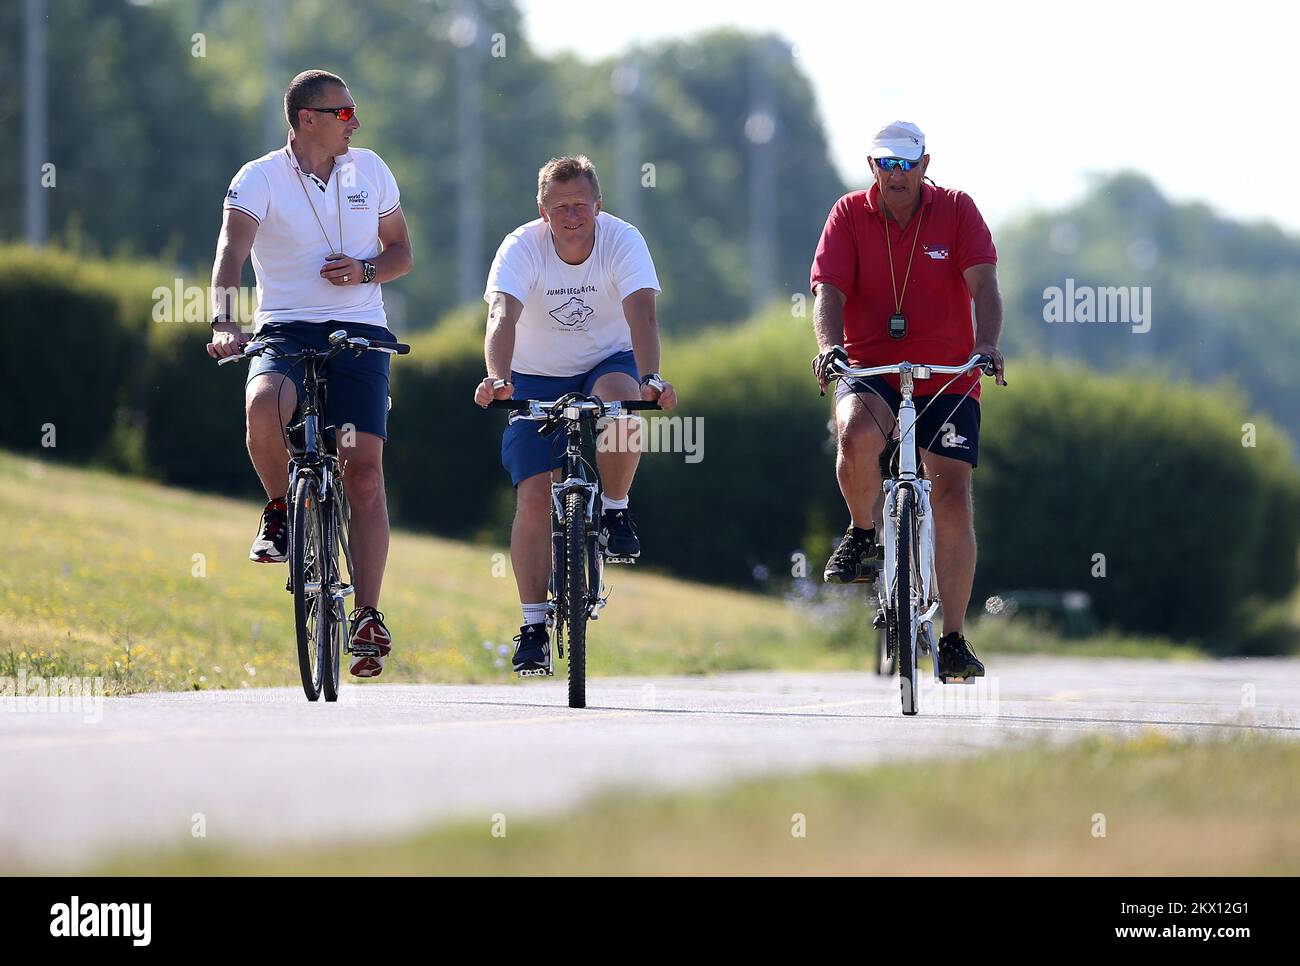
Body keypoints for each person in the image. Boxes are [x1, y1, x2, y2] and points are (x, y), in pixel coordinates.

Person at [206, 69, 413, 678]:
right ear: (307, 120)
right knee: (264, 404)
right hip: (286, 329)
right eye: (344, 113)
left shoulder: (370, 169)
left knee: (365, 472)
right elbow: (231, 255)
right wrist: (224, 321)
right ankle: (278, 509)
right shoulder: (259, 177)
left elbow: (402, 251)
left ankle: (368, 613)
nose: (356, 122)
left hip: (361, 333)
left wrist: (367, 272)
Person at [809, 120, 1006, 681]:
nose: (896, 174)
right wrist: (830, 348)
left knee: (952, 491)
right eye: (885, 164)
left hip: (947, 374)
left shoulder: (958, 210)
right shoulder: (848, 214)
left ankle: (953, 639)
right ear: (873, 167)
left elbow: (985, 286)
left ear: (924, 164)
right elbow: (829, 292)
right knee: (855, 436)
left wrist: (986, 345)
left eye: (906, 163)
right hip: (872, 367)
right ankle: (863, 534)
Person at [473, 155, 677, 674]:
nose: (571, 216)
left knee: (620, 405)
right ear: (542, 211)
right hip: (534, 373)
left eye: (581, 205)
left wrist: (651, 378)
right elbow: (502, 314)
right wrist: (497, 378)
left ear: (598, 205)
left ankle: (614, 507)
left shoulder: (623, 240)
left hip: (606, 360)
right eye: (560, 206)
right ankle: (534, 624)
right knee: (535, 494)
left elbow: (642, 313)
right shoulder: (521, 247)